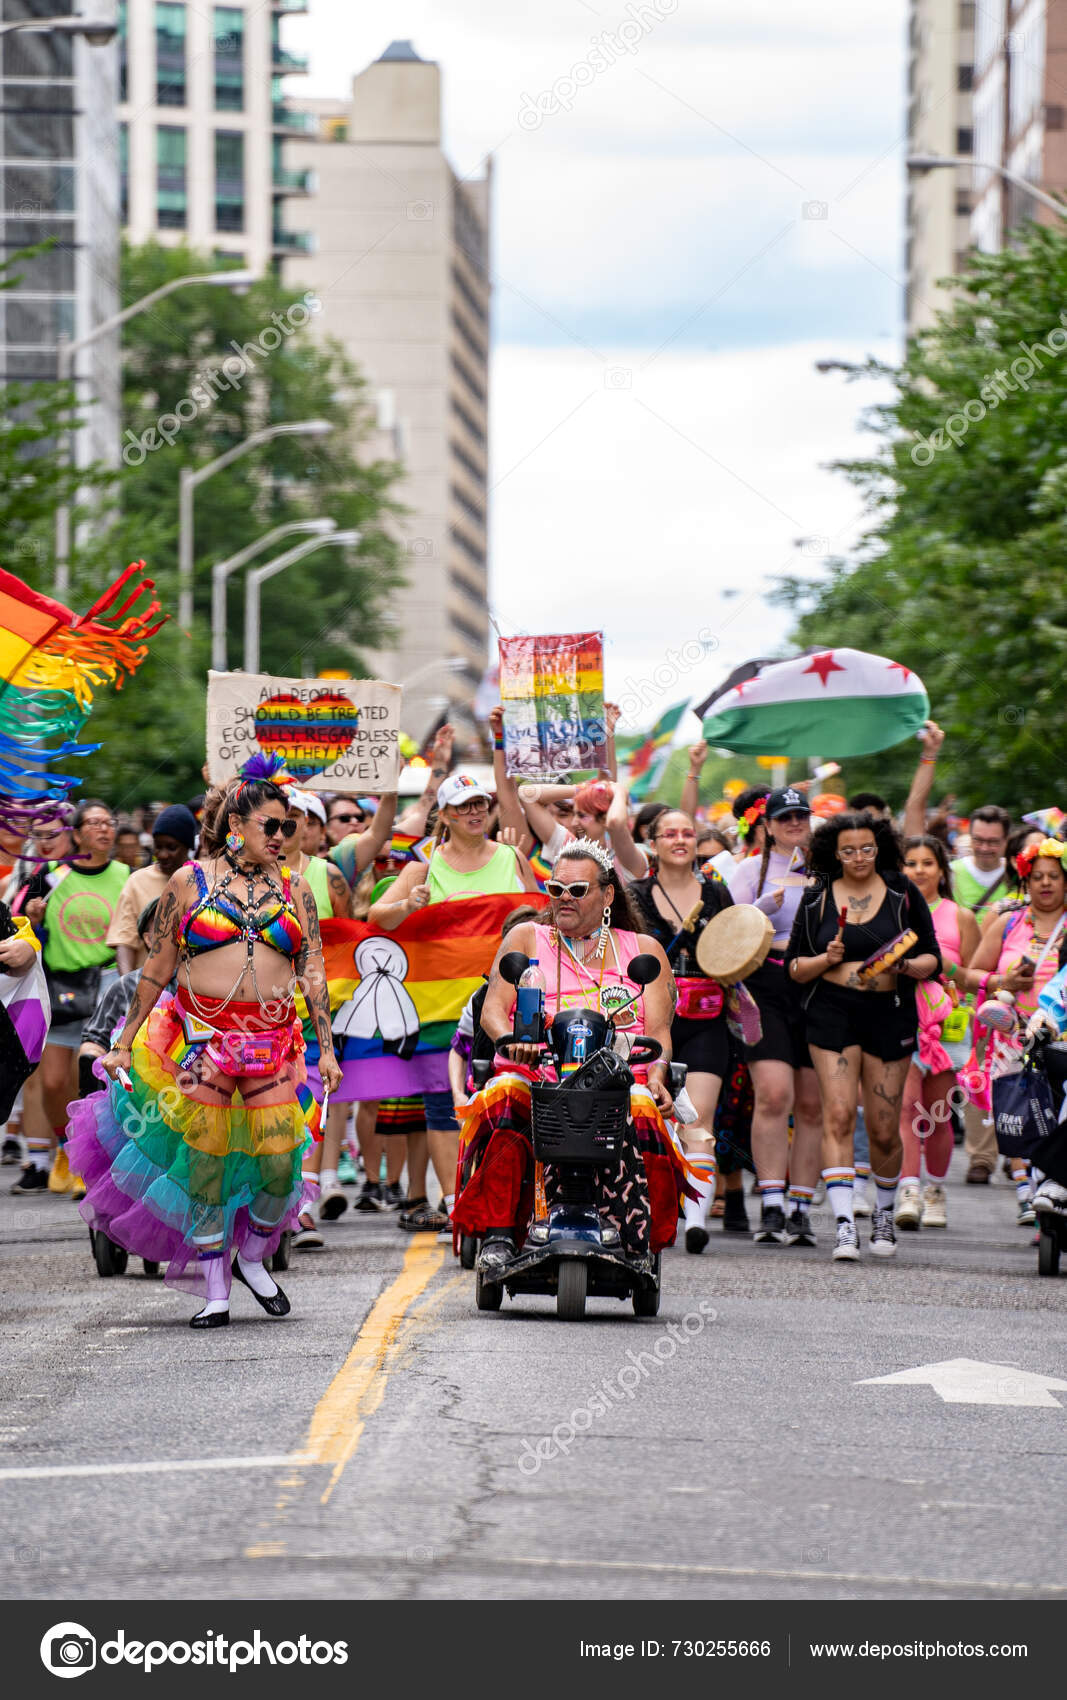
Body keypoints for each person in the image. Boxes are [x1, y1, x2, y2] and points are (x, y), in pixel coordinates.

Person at [65, 761, 342, 1329]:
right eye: (271, 825)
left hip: (272, 1041)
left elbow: (313, 970)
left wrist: (329, 1049)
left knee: (280, 1164)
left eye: (288, 828)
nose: (281, 837)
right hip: (199, 1042)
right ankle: (215, 1285)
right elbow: (156, 969)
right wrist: (122, 1042)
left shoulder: (298, 889)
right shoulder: (189, 881)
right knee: (206, 1167)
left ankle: (256, 1255)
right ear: (236, 825)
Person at [455, 839, 688, 1269]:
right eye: (555, 888)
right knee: (505, 1090)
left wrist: (657, 1076)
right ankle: (500, 1235)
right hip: (537, 1071)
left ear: (607, 894)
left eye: (577, 891)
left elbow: (659, 1034)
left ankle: (638, 1241)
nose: (564, 899)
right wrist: (514, 1039)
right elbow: (491, 1012)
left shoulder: (642, 950)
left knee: (642, 1105)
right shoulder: (526, 937)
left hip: (618, 1081)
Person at [369, 772, 537, 1234]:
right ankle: (454, 1202)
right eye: (462, 806)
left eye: (480, 802)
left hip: (505, 1003)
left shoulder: (511, 857)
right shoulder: (423, 866)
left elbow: (539, 916)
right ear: (444, 815)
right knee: (444, 1103)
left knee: (507, 1097)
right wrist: (407, 906)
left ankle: (511, 1199)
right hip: (440, 1008)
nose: (474, 812)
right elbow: (375, 919)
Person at [786, 812, 941, 1263]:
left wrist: (906, 967)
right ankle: (844, 1227)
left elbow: (933, 956)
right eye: (849, 850)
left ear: (880, 849)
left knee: (883, 1128)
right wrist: (825, 959)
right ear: (835, 852)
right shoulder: (816, 898)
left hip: (888, 1015)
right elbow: (795, 968)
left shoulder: (902, 893)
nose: (858, 857)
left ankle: (885, 1214)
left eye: (867, 849)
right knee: (836, 1115)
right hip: (831, 1014)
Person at [629, 810, 735, 1251]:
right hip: (650, 1022)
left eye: (688, 833)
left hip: (707, 1020)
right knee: (653, 1115)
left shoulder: (717, 894)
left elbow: (736, 949)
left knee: (698, 1118)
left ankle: (695, 1220)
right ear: (651, 843)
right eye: (669, 833)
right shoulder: (633, 895)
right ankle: (660, 1207)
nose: (680, 840)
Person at [727, 787, 823, 1245]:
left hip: (820, 986)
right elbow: (726, 930)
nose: (793, 824)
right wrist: (762, 909)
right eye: (783, 817)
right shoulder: (749, 870)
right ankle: (771, 1201)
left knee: (811, 1102)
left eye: (800, 816)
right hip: (766, 984)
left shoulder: (828, 868)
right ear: (766, 825)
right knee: (772, 1095)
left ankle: (801, 1205)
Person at [19, 800, 129, 1196]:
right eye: (94, 823)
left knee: (101, 1079)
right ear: (77, 833)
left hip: (108, 984)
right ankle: (68, 1147)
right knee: (52, 1083)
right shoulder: (51, 874)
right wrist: (32, 916)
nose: (103, 829)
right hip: (60, 986)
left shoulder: (126, 875)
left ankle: (95, 1160)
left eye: (108, 821)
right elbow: (19, 925)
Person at [967, 838, 1067, 1223]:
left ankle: (1049, 1186)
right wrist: (1001, 980)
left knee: (1056, 1114)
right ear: (1026, 880)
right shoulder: (1008, 922)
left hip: (1062, 1036)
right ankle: (1028, 1190)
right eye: (1037, 876)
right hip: (1013, 1031)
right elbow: (972, 973)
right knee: (1022, 1112)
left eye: (1053, 877)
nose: (1045, 884)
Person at [895, 836, 981, 1231]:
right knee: (907, 1109)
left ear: (941, 870)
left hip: (946, 1027)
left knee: (938, 1113)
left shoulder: (959, 915)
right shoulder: (893, 910)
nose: (919, 871)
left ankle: (936, 1190)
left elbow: (974, 975)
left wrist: (946, 978)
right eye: (911, 863)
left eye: (927, 863)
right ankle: (909, 1190)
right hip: (900, 1021)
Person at [106, 805, 198, 975]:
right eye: (158, 846)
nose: (162, 854)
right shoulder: (137, 882)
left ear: (188, 847)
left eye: (171, 847)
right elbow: (124, 942)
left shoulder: (203, 881)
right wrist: (128, 986)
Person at [950, 804, 1013, 920]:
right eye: (978, 840)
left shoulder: (1016, 876)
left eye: (993, 842)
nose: (984, 848)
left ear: (1006, 841)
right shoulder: (951, 872)